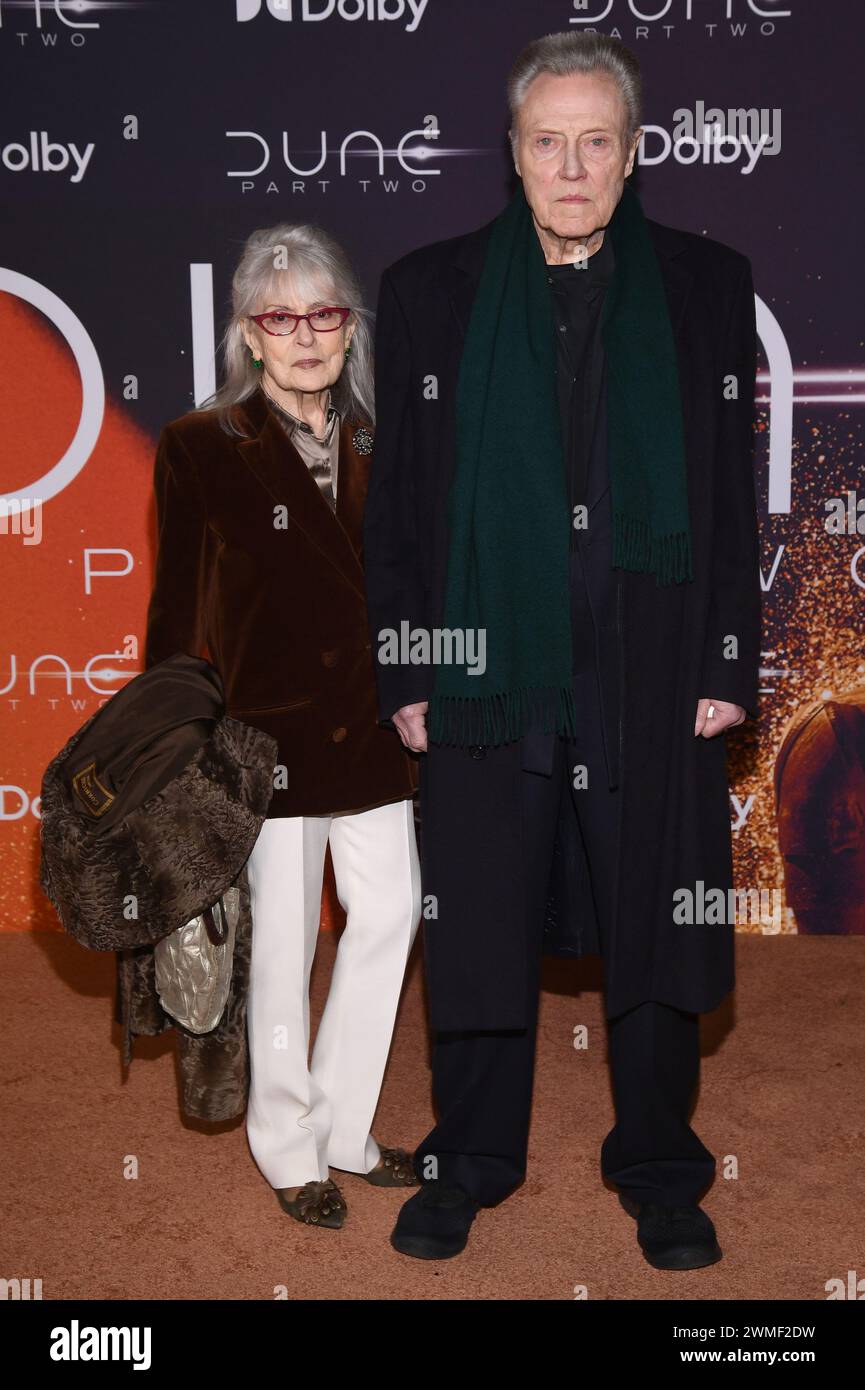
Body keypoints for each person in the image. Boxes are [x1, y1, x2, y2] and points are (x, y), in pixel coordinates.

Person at [363, 31, 760, 1268]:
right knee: (476, 911)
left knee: (652, 911)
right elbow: (401, 508)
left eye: (598, 141)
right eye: (549, 141)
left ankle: (658, 1165)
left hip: (651, 662)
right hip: (488, 670)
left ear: (634, 154)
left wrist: (726, 663)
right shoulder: (430, 289)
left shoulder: (705, 284)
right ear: (514, 154)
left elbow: (733, 495)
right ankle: (468, 1158)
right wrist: (412, 670)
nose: (572, 165)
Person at [144, 222, 422, 1228]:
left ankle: (346, 1124)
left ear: (348, 330)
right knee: (282, 945)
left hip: (376, 723)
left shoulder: (386, 441)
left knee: (390, 914)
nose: (305, 334)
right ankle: (289, 1143)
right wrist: (175, 737)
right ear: (249, 337)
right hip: (264, 735)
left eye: (323, 313)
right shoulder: (198, 447)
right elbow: (176, 607)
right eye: (280, 317)